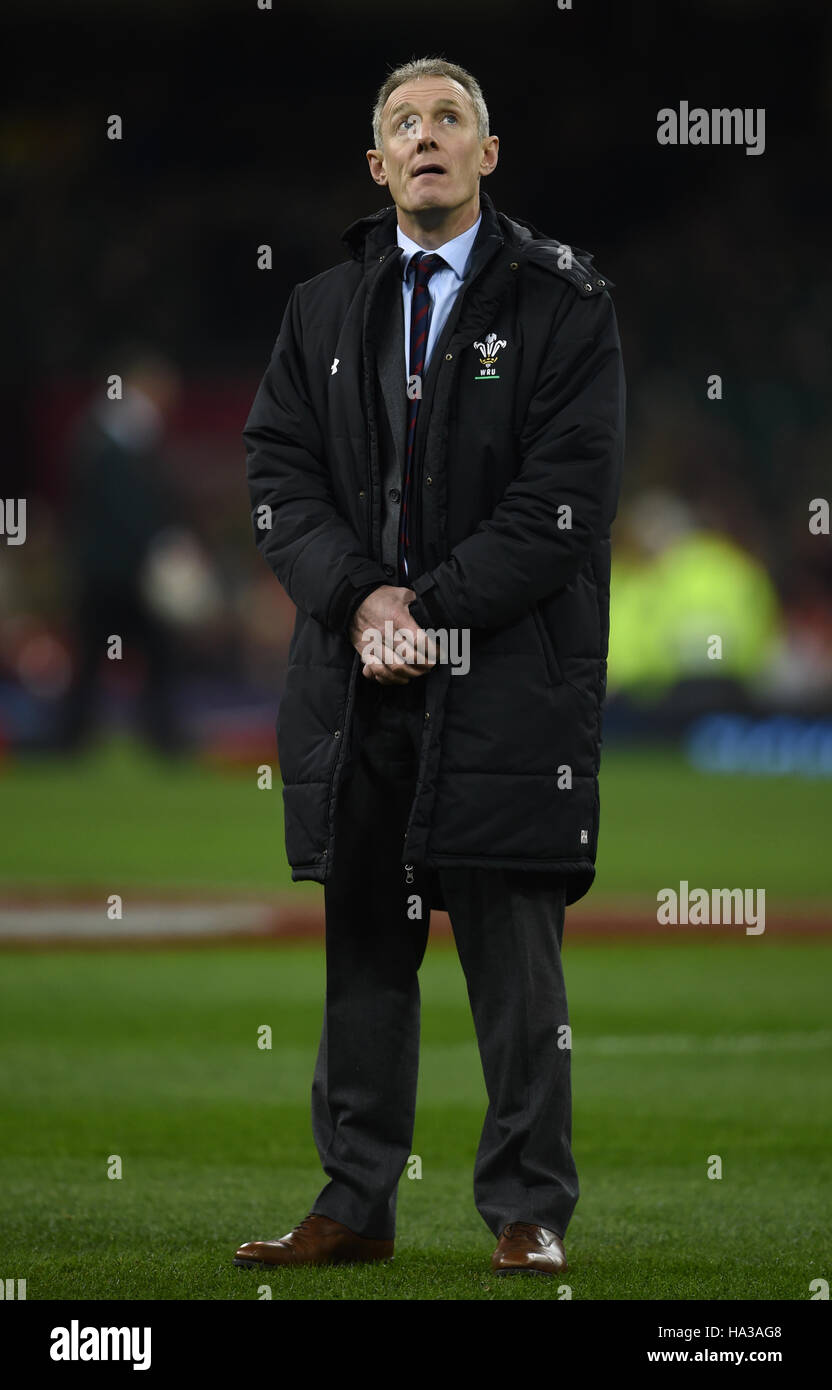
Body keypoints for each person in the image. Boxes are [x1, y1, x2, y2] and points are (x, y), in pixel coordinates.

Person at [236, 56, 625, 1277]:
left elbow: (565, 500)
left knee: (515, 964)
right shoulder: (320, 309)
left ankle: (528, 1208)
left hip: (505, 682)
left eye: (448, 118)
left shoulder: (565, 301)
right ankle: (355, 1201)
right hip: (358, 680)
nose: (425, 136)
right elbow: (277, 476)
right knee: (364, 951)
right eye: (403, 123)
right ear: (377, 164)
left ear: (486, 153)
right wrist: (363, 601)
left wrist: (427, 610)